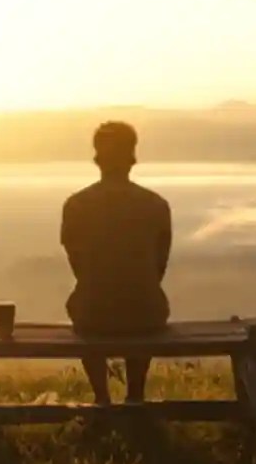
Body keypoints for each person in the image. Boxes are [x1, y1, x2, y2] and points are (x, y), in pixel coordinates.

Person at [61, 121, 172, 405]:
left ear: (97, 158)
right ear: (132, 157)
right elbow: (158, 267)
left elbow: (79, 267)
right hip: (146, 315)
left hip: (93, 315)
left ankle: (102, 398)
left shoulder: (76, 206)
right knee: (143, 299)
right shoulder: (157, 205)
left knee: (85, 300)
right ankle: (135, 395)